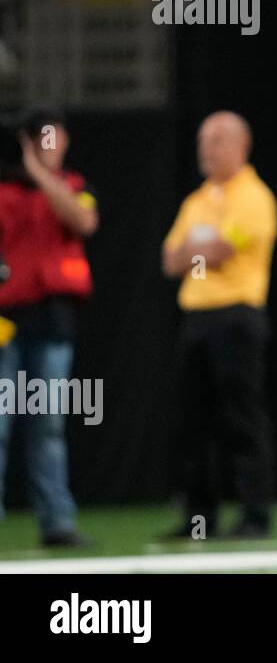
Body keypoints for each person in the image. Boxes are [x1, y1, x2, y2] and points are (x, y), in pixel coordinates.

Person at [161, 111, 277, 539]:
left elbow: (224, 249)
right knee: (193, 422)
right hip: (196, 318)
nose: (204, 150)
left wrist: (197, 248)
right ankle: (199, 518)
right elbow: (169, 259)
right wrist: (200, 249)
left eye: (214, 141)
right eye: (202, 141)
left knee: (242, 417)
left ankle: (255, 514)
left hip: (237, 317)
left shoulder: (255, 196)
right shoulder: (196, 200)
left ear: (239, 146)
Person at [0, 107, 97, 547]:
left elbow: (82, 221)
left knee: (48, 423)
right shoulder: (4, 192)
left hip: (52, 323)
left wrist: (41, 175)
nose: (52, 148)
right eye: (43, 140)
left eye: (58, 139)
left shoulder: (75, 188)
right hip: (4, 323)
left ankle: (56, 521)